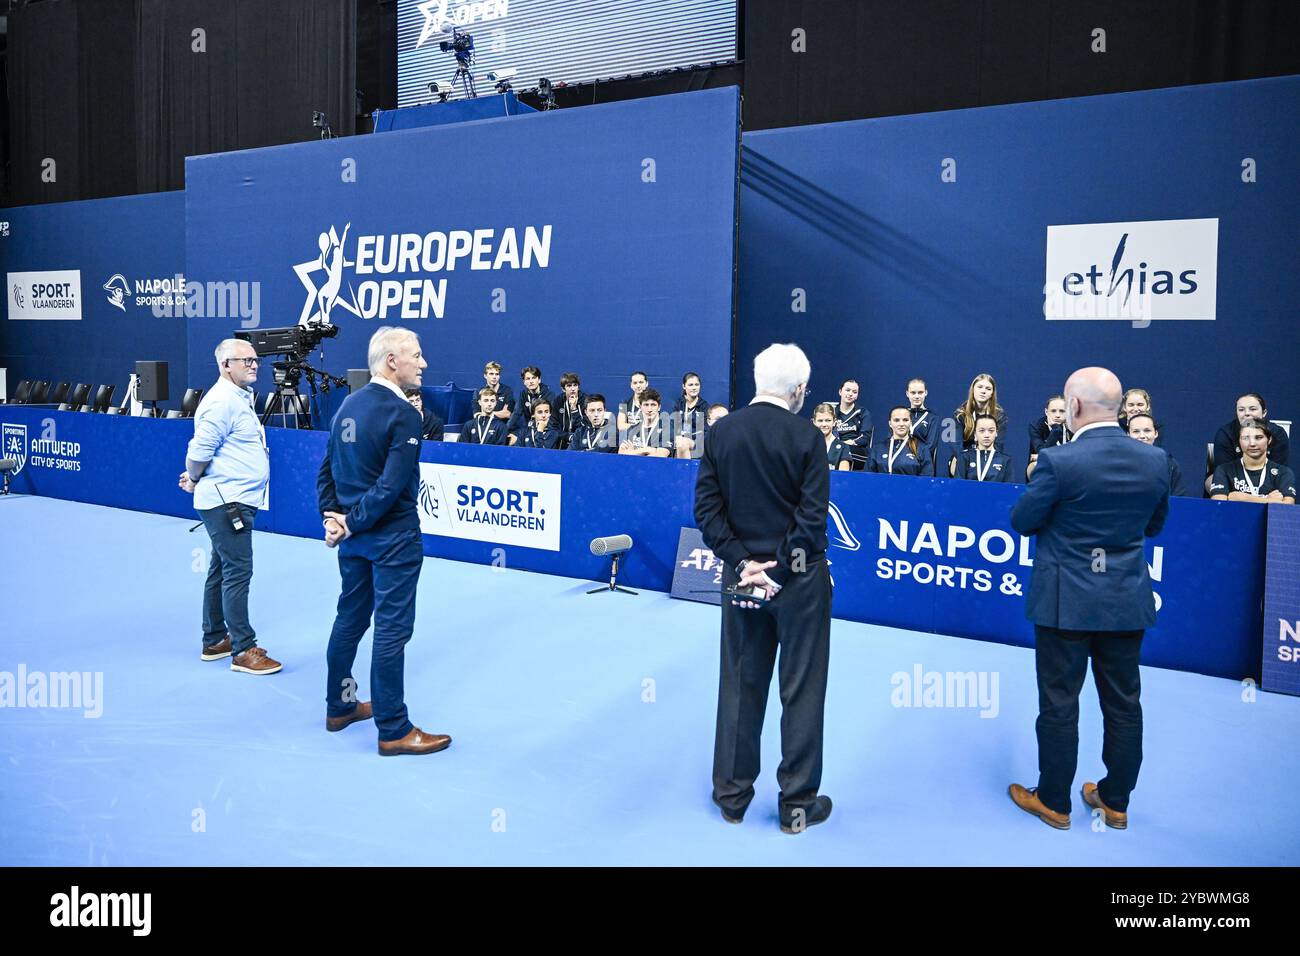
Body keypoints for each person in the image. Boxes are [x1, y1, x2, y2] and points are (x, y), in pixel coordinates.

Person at [1008, 367, 1169, 831]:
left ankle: (1054, 802)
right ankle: (1115, 801)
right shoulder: (1155, 460)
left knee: (1059, 702)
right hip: (1125, 600)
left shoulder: (1059, 461)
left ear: (1073, 407)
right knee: (1123, 703)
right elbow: (1154, 526)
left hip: (1066, 602)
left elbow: (1022, 520)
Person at [694, 343, 833, 834]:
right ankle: (796, 806)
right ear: (798, 391)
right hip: (800, 586)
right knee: (802, 690)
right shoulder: (808, 437)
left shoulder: (721, 431)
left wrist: (743, 563)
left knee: (739, 683)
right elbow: (811, 520)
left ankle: (731, 797)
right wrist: (776, 572)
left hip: (741, 581)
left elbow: (707, 512)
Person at [317, 327, 450, 757]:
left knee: (350, 619)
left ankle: (339, 707)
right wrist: (349, 524)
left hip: (355, 540)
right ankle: (393, 729)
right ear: (392, 361)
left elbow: (326, 473)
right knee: (392, 630)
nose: (424, 363)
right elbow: (391, 487)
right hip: (392, 539)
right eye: (417, 354)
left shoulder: (347, 406)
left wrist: (333, 520)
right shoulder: (406, 414)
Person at [179, 338, 280, 675]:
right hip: (227, 502)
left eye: (255, 360)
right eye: (244, 360)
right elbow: (199, 449)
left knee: (221, 568)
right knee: (238, 571)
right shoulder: (222, 402)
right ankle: (243, 649)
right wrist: (193, 476)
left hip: (231, 498)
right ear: (225, 365)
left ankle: (214, 640)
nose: (253, 364)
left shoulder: (237, 397)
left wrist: (196, 476)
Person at [1209, 421, 1296, 504]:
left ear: (1269, 440)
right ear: (1239, 441)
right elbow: (1219, 505)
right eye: (1245, 438)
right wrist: (1269, 500)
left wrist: (1239, 497)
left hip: (1269, 520)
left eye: (1258, 437)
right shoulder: (1224, 470)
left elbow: (1287, 507)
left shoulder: (1283, 472)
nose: (1252, 443)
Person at [1211, 392, 1290, 474]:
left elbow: (1280, 472)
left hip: (1269, 480)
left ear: (1264, 413)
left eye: (1253, 409)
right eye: (1241, 410)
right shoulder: (1226, 433)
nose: (1247, 413)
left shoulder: (1277, 433)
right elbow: (1223, 473)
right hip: (1233, 480)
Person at [1127, 413, 1188, 497]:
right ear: (1128, 435)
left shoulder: (1169, 464)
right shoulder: (1119, 464)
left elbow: (1178, 498)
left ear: (1156, 433)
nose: (1142, 436)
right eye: (1136, 431)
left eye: (1147, 430)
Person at [867, 406, 933, 476]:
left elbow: (927, 479)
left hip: (910, 487)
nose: (901, 424)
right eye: (896, 420)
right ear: (890, 424)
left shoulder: (922, 449)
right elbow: (868, 478)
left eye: (905, 420)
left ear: (910, 423)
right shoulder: (877, 449)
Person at [953, 372, 1009, 451]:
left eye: (988, 389)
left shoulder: (999, 415)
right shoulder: (960, 414)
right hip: (965, 457)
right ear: (973, 390)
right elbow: (956, 445)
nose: (983, 391)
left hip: (989, 457)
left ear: (992, 393)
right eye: (980, 387)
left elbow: (998, 446)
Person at [951, 415, 1015, 482]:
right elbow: (958, 486)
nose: (986, 435)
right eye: (982, 431)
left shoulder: (1005, 460)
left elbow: (1009, 489)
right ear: (975, 434)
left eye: (991, 431)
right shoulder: (964, 457)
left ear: (996, 433)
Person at [1026, 395, 1072, 480]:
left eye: (1062, 411)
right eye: (1053, 411)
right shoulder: (1036, 426)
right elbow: (1042, 453)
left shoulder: (1072, 427)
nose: (1057, 415)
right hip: (1043, 471)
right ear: (1046, 412)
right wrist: (1055, 431)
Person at [619, 388, 673, 457]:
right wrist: (647, 450)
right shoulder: (632, 430)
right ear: (640, 407)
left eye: (653, 405)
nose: (649, 409)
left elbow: (660, 456)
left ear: (659, 407)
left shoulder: (666, 429)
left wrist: (632, 452)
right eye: (646, 405)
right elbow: (621, 454)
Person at [832, 379, 872, 471]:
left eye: (854, 392)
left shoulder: (863, 412)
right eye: (847, 390)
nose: (850, 394)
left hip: (855, 449)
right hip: (835, 447)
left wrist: (848, 443)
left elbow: (865, 438)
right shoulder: (832, 412)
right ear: (840, 392)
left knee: (844, 450)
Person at [508, 366, 553, 438]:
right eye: (528, 379)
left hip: (546, 430)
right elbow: (516, 413)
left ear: (539, 380)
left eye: (534, 378)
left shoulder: (549, 395)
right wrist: (506, 430)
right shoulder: (523, 394)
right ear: (524, 382)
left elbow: (552, 418)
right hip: (529, 429)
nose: (531, 381)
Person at [673, 372, 709, 460]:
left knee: (682, 443)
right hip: (680, 442)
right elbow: (674, 425)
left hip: (697, 443)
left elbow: (705, 431)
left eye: (696, 384)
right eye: (690, 385)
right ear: (684, 386)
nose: (694, 388)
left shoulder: (704, 406)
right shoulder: (679, 404)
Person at [813, 402, 852, 471]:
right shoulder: (806, 445)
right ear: (814, 422)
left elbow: (843, 477)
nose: (824, 424)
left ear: (834, 422)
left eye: (828, 420)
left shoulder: (843, 447)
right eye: (820, 421)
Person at [552, 372, 588, 447]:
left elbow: (586, 426)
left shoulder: (586, 401)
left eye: (575, 385)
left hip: (581, 441)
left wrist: (574, 410)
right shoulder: (558, 401)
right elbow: (553, 427)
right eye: (569, 386)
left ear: (578, 387)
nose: (573, 389)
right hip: (562, 441)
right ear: (563, 389)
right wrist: (568, 436)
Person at [905, 378, 937, 456]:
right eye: (913, 393)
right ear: (907, 394)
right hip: (901, 462)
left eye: (920, 392)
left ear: (926, 393)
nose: (917, 396)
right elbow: (893, 440)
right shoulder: (900, 415)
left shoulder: (932, 418)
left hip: (922, 461)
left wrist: (914, 458)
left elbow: (931, 446)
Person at [616, 371, 651, 436]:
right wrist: (640, 426)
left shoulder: (652, 403)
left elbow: (651, 427)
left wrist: (629, 426)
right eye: (635, 383)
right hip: (630, 440)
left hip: (647, 440)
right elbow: (620, 426)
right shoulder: (624, 403)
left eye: (641, 382)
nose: (638, 386)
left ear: (647, 383)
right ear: (631, 385)